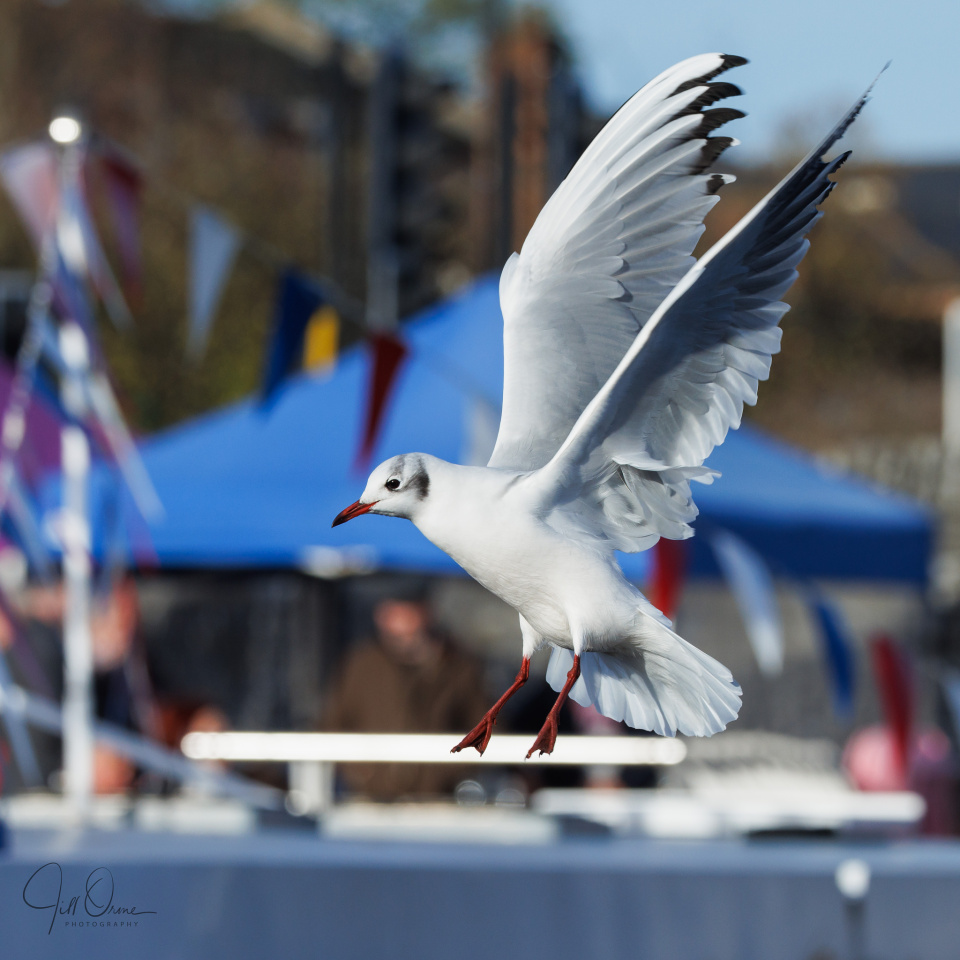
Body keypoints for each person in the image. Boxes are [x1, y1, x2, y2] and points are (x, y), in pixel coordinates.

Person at [321, 590, 489, 801]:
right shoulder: (360, 664)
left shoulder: (458, 667)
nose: (399, 623)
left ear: (426, 613)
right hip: (369, 801)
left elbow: (486, 727)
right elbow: (332, 724)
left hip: (438, 802)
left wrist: (445, 773)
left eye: (407, 612)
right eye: (391, 613)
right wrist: (362, 772)